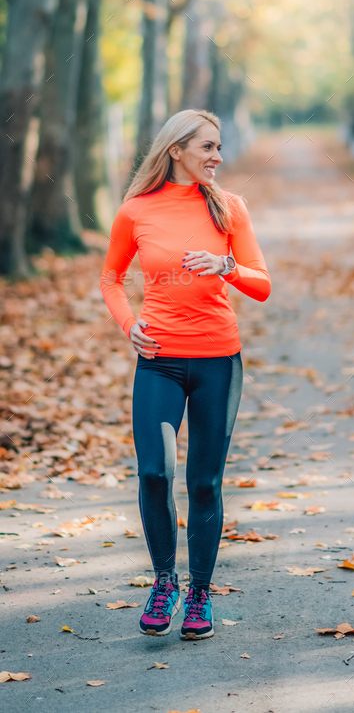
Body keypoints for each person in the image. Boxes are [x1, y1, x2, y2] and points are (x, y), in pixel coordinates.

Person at [101, 109, 271, 640]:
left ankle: (198, 592)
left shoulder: (229, 209)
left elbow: (262, 283)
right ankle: (164, 581)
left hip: (218, 358)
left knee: (204, 482)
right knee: (155, 473)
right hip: (159, 360)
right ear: (175, 149)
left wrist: (228, 268)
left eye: (218, 147)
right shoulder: (135, 210)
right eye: (207, 147)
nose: (217, 157)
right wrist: (129, 323)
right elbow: (110, 276)